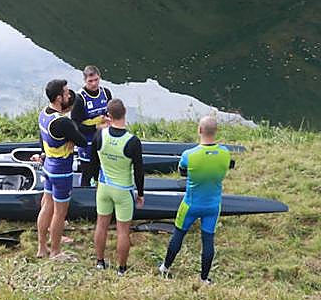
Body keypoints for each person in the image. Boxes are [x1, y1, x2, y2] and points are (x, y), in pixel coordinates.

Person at [159, 115, 229, 283]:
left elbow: (182, 171)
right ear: (216, 131)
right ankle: (204, 278)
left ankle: (165, 267)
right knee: (208, 240)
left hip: (191, 204)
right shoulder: (225, 153)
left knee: (178, 234)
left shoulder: (189, 155)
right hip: (213, 205)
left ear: (199, 130)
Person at [87, 98, 144, 274]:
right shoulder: (132, 141)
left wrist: (95, 181)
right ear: (125, 112)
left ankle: (99, 261)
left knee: (101, 226)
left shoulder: (99, 135)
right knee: (123, 232)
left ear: (108, 116)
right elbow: (139, 171)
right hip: (122, 191)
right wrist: (140, 194)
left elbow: (93, 162)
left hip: (103, 187)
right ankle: (121, 268)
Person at [35, 78, 89, 260]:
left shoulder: (44, 114)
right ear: (59, 98)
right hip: (62, 171)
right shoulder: (63, 123)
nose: (69, 94)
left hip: (48, 166)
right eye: (66, 93)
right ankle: (55, 251)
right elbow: (82, 141)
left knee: (46, 204)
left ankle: (42, 247)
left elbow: (43, 140)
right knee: (59, 212)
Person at [71, 65, 112, 187]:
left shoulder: (106, 93)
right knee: (87, 173)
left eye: (96, 80)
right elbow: (75, 125)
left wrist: (109, 119)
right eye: (90, 81)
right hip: (87, 143)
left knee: (102, 169)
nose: (94, 84)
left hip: (102, 140)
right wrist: (95, 128)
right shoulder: (79, 98)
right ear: (85, 81)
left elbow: (109, 113)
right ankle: (85, 195)